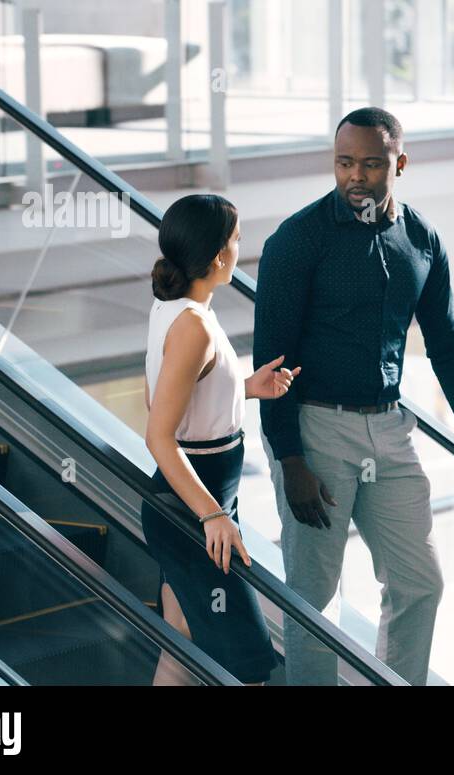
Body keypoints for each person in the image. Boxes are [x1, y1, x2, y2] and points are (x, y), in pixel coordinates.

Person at [254, 107, 454, 686]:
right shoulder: (296, 240)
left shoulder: (422, 239)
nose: (355, 175)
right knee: (314, 597)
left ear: (399, 164)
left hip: (390, 429)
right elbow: (271, 363)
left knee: (420, 583)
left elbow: (449, 345)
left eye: (371, 163)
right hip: (313, 428)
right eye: (343, 162)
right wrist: (290, 460)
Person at [141, 193, 299, 685]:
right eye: (236, 239)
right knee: (249, 659)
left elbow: (181, 398)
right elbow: (159, 435)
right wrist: (212, 515)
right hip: (195, 504)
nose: (240, 246)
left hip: (195, 498)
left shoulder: (176, 309)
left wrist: (247, 389)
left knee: (182, 635)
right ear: (217, 258)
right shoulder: (193, 327)